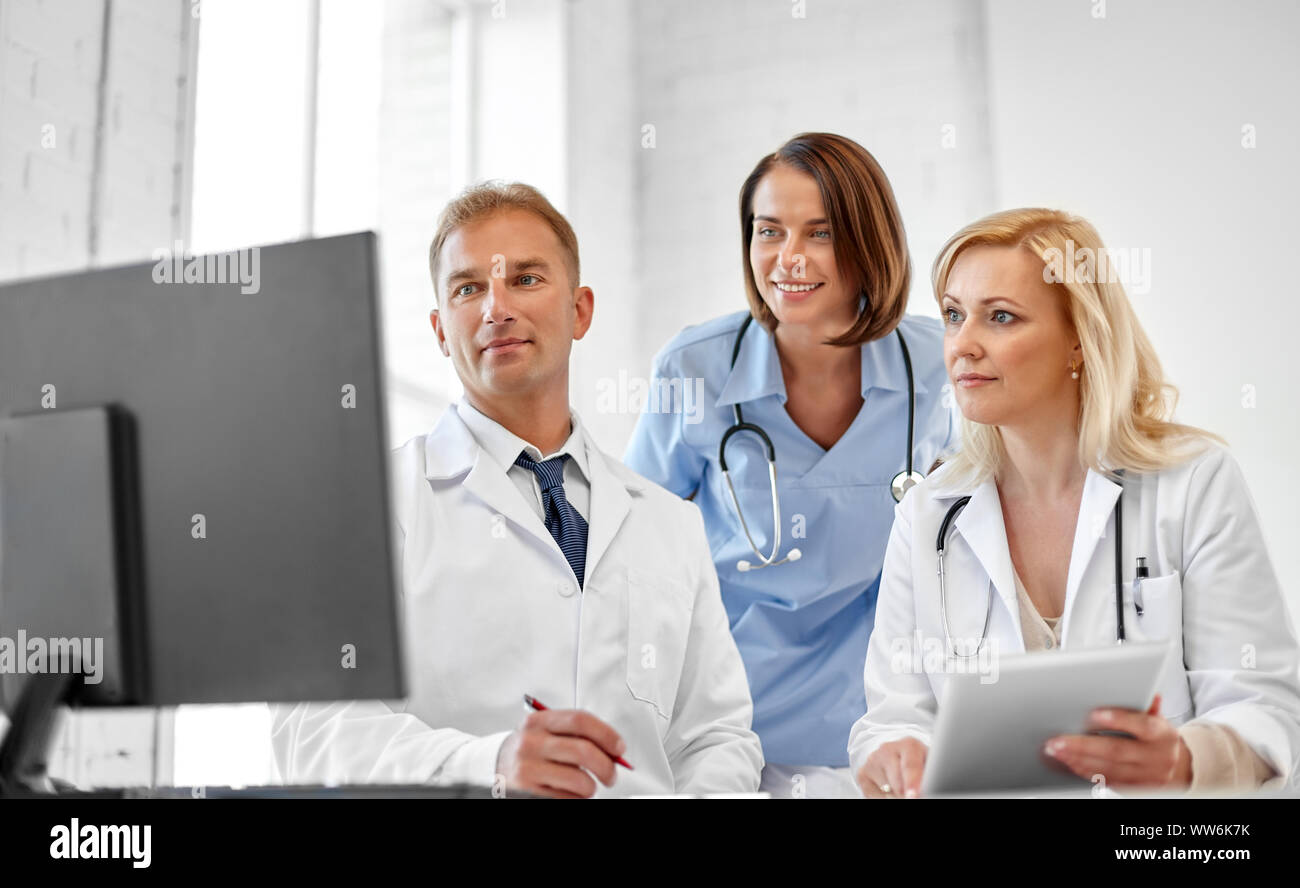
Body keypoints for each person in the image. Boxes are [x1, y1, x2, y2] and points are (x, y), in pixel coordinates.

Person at [272, 182, 763, 798]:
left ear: (580, 310)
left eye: (526, 279)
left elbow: (715, 737)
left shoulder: (669, 523)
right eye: (468, 288)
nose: (495, 309)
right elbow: (312, 733)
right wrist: (489, 765)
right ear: (440, 329)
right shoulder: (368, 507)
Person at [850, 208, 1300, 797]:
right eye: (954, 316)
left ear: (1079, 343)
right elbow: (892, 716)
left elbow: (1264, 706)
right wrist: (893, 755)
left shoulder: (1192, 484)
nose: (963, 345)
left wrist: (1184, 761)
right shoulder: (928, 513)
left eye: (1001, 317)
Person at [624, 133, 955, 797]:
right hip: (732, 728)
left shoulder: (937, 362)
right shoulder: (693, 368)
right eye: (768, 231)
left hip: (888, 722)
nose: (788, 259)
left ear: (869, 244)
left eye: (821, 233)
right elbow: (630, 557)